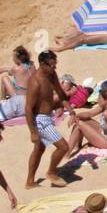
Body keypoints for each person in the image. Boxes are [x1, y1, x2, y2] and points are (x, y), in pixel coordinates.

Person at [25, 50, 73, 188]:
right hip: (39, 120)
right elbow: (28, 108)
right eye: (52, 65)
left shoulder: (51, 75)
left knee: (39, 149)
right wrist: (33, 132)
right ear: (42, 64)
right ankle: (51, 172)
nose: (54, 67)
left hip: (48, 117)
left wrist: (71, 111)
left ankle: (29, 181)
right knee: (64, 147)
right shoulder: (35, 82)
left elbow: (60, 93)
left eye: (55, 64)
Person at [64, 92, 107, 160]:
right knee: (81, 119)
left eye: (99, 98)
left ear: (106, 101)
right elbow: (90, 114)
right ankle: (77, 146)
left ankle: (67, 153)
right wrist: (75, 116)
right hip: (104, 133)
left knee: (79, 124)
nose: (97, 100)